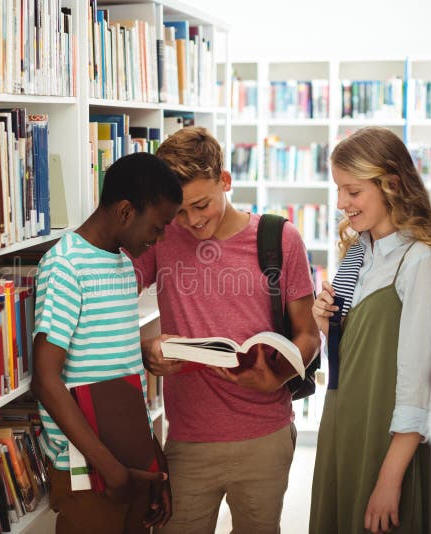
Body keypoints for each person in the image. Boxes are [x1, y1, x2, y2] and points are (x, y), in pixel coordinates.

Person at [131, 126, 321, 533]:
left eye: (201, 204)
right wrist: (144, 348)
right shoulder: (161, 238)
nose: (192, 221)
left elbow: (308, 334)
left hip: (265, 438)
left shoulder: (279, 239)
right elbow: (107, 305)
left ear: (225, 180)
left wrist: (277, 376)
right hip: (188, 439)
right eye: (179, 211)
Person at [30, 152, 183, 533]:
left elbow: (124, 371)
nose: (160, 238)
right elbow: (46, 380)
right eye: (159, 226)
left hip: (131, 464)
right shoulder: (65, 266)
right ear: (127, 212)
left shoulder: (121, 265)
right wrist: (110, 470)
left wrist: (155, 462)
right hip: (89, 472)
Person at [309, 127, 431, 534]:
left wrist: (389, 479)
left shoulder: (419, 261)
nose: (341, 203)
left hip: (383, 439)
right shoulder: (357, 254)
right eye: (338, 191)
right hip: (344, 424)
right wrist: (324, 323)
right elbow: (356, 356)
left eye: (352, 191)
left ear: (391, 185)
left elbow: (418, 382)